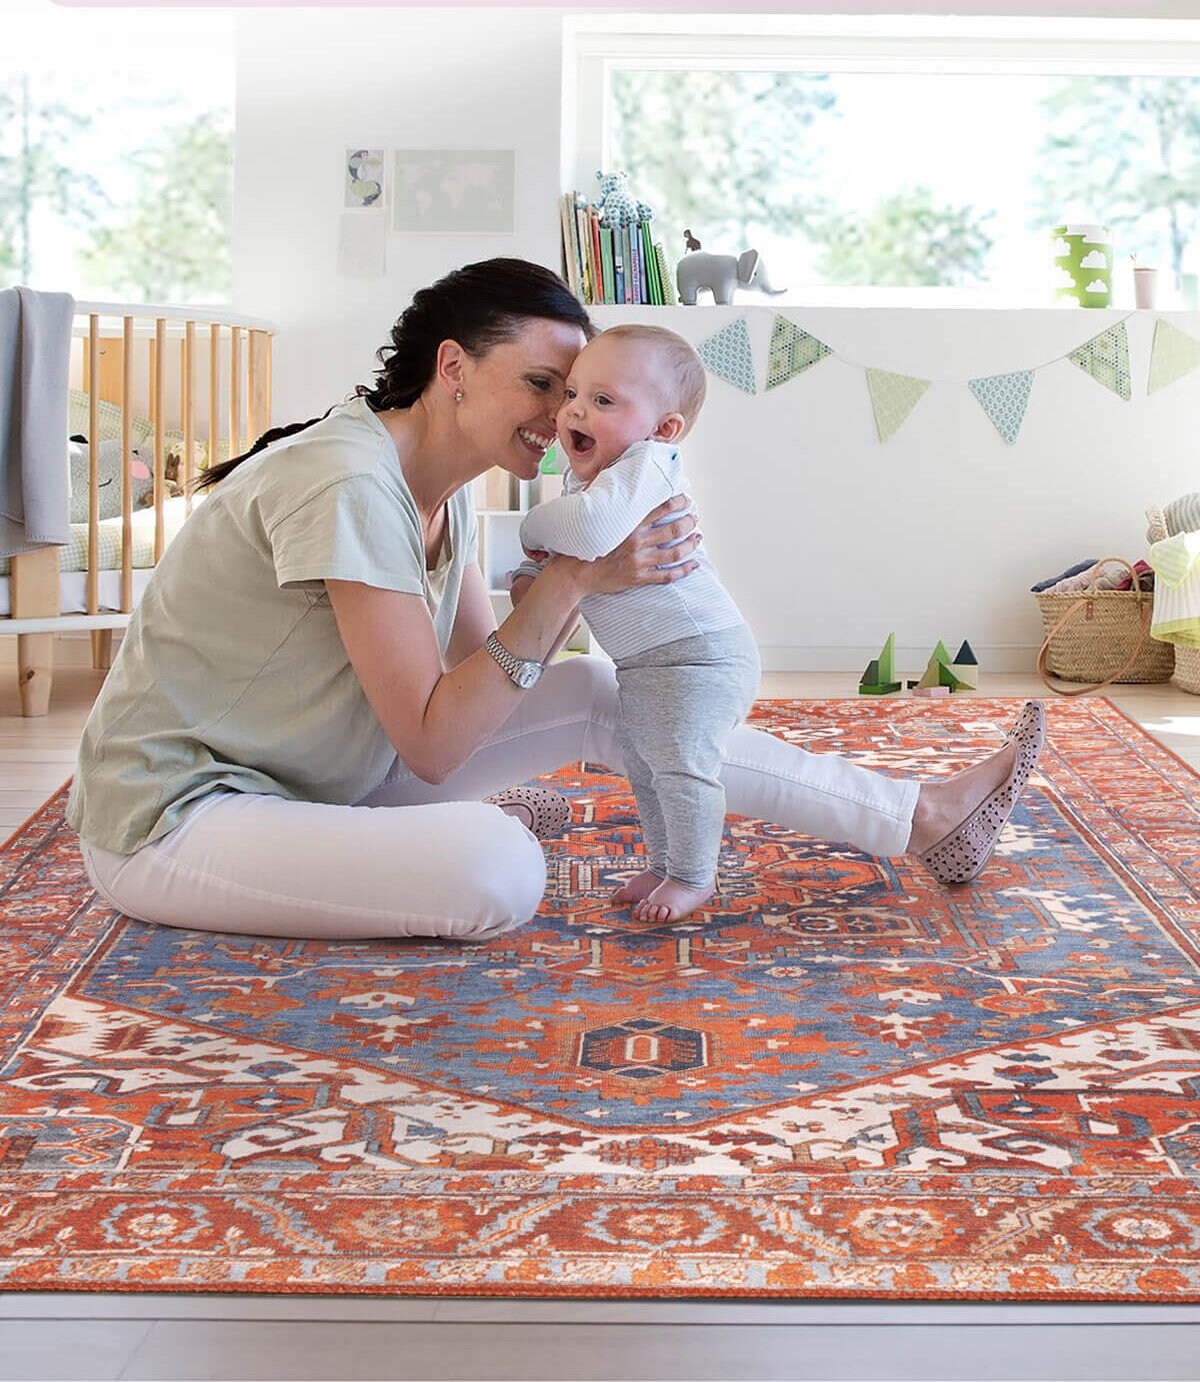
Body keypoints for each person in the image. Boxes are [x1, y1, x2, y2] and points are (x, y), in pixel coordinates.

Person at [67, 256, 1045, 946]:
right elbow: (437, 741)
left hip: (327, 777)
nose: (566, 412)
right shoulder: (348, 482)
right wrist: (578, 575)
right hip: (185, 814)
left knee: (607, 694)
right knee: (498, 869)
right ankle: (403, 842)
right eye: (543, 382)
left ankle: (921, 815)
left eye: (578, 389)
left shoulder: (444, 489)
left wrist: (594, 576)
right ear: (453, 367)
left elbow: (491, 676)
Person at [512, 324, 759, 923]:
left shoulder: (649, 462)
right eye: (573, 393)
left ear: (662, 427)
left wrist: (531, 532)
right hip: (649, 662)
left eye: (603, 401)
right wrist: (533, 569)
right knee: (644, 765)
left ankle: (695, 874)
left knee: (679, 765)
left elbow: (589, 533)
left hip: (698, 655)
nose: (574, 410)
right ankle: (664, 860)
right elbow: (565, 557)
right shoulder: (586, 482)